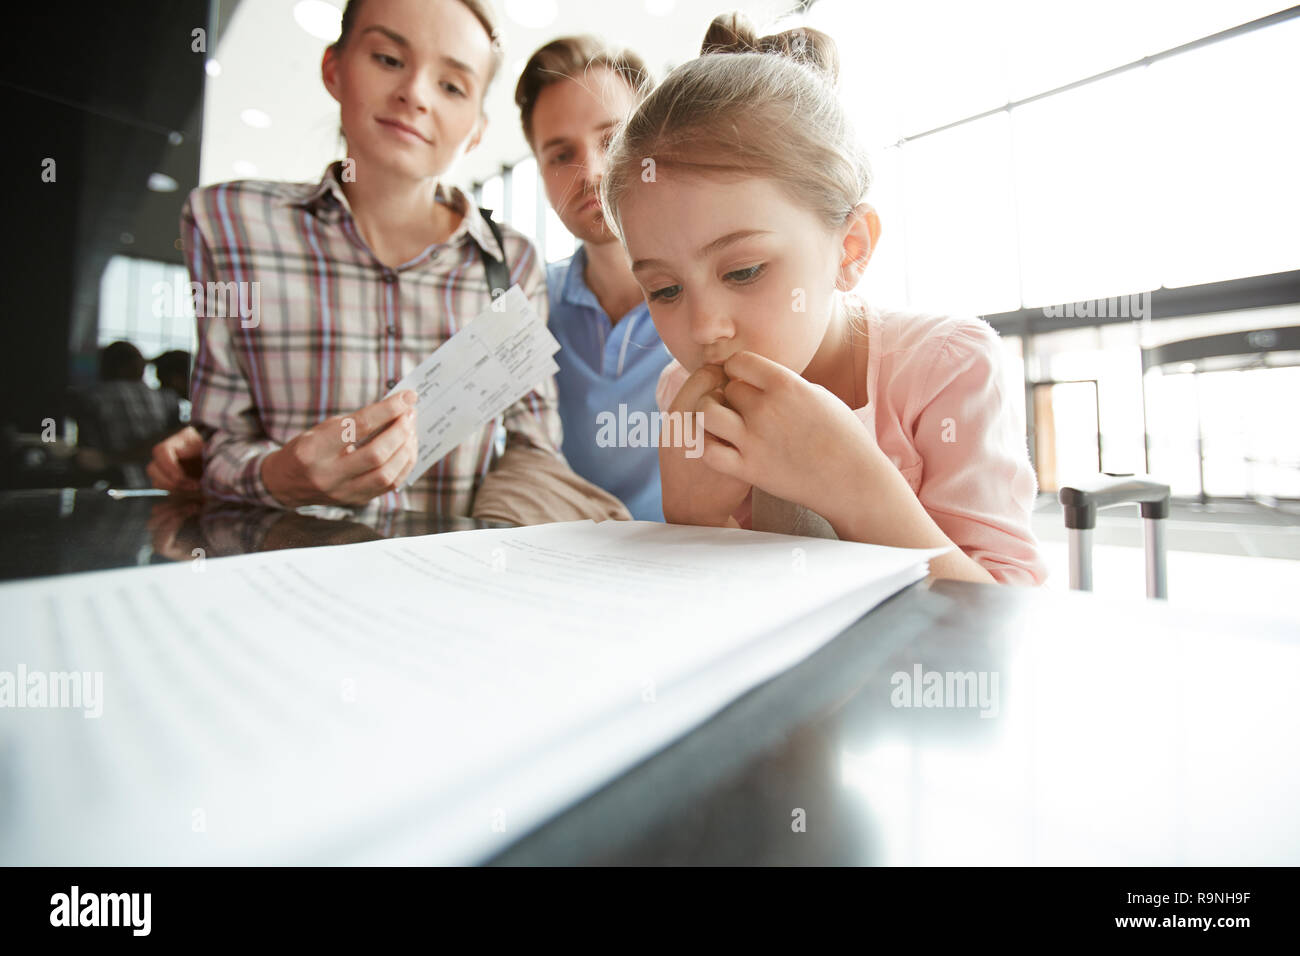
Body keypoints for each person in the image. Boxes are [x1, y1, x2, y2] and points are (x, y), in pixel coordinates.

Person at [598, 12, 1046, 584]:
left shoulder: (946, 366)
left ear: (850, 248)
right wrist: (694, 518)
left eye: (744, 271)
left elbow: (1010, 614)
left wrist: (854, 487)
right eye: (664, 290)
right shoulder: (679, 393)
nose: (705, 327)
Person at [167, 0, 626, 523]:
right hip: (286, 574)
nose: (414, 94)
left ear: (476, 128)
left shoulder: (510, 261)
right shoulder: (231, 225)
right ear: (333, 69)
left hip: (450, 584)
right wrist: (279, 474)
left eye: (452, 86)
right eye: (388, 59)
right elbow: (213, 447)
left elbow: (533, 448)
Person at [515, 36, 670, 521]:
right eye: (561, 155)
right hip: (563, 568)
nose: (592, 171)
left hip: (697, 568)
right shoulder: (532, 305)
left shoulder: (724, 301)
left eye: (613, 138)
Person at [73, 341, 185, 486]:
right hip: (160, 486)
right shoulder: (167, 399)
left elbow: (86, 453)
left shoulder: (91, 397)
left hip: (112, 487)